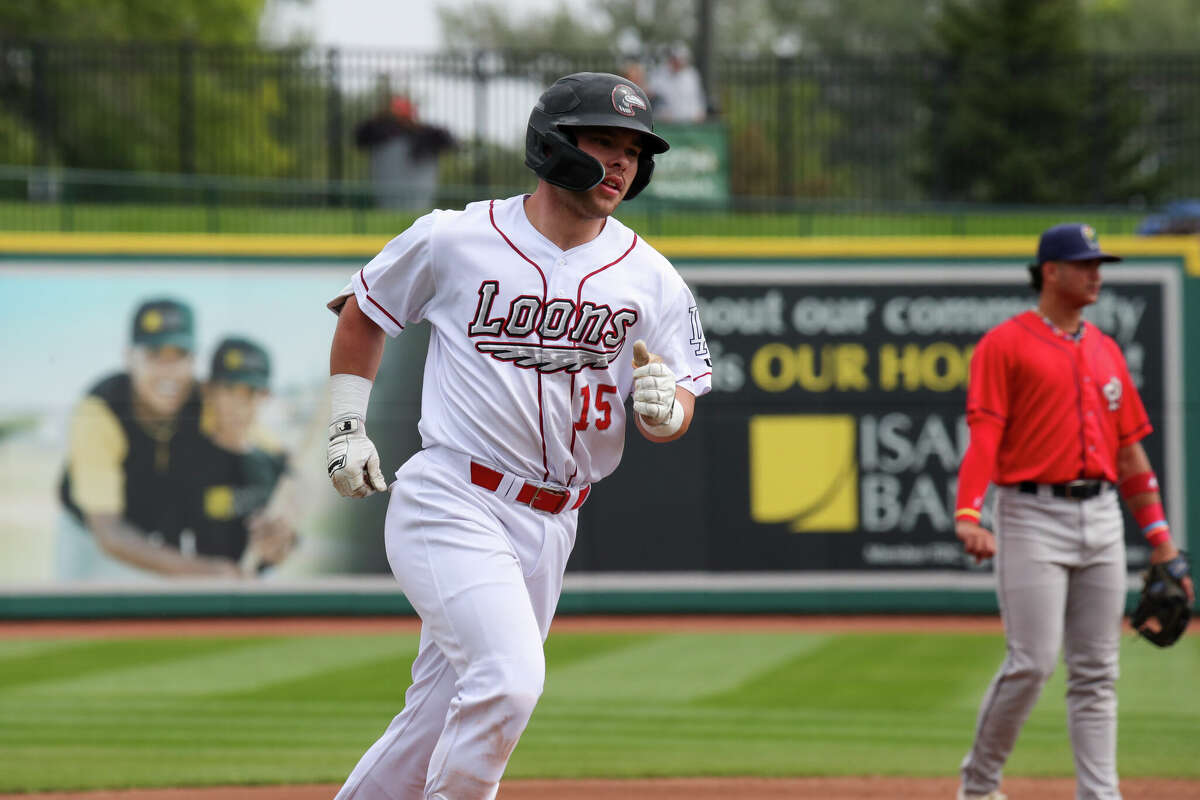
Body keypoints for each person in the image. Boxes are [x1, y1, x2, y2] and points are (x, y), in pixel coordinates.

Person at [325, 71, 711, 800]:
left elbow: (682, 393)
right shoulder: (456, 238)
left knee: (431, 726)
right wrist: (348, 425)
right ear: (553, 145)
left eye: (634, 149)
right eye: (605, 141)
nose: (623, 162)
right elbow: (363, 312)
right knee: (507, 680)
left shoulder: (651, 278)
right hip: (453, 499)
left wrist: (668, 411)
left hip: (552, 523)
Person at [952, 223, 1195, 800]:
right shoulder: (1004, 344)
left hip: (1103, 515)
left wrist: (1161, 541)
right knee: (1031, 663)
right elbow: (984, 435)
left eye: (1098, 264)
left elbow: (1131, 452)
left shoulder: (1106, 349)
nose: (1096, 274)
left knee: (1097, 673)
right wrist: (968, 512)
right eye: (1084, 263)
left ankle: (1099, 794)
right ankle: (979, 785)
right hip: (1031, 514)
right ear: (1050, 272)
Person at [56, 298, 240, 579]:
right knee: (77, 616)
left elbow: (265, 451)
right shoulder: (99, 410)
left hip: (157, 531)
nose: (169, 371)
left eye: (179, 355)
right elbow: (109, 535)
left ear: (193, 360)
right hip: (91, 532)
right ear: (130, 358)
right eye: (155, 355)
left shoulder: (205, 403)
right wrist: (208, 572)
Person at [184, 336, 297, 575]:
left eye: (251, 392)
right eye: (229, 389)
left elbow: (291, 546)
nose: (239, 403)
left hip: (258, 596)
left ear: (265, 396)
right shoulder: (185, 461)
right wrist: (212, 572)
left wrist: (278, 548)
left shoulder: (275, 465)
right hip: (195, 597)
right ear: (209, 391)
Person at [646, 41, 707, 123]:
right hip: (666, 123)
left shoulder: (692, 75)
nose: (678, 62)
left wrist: (700, 112)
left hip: (690, 123)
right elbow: (649, 94)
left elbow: (699, 98)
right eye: (675, 59)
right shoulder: (659, 74)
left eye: (681, 59)